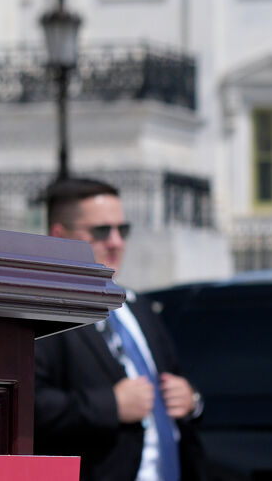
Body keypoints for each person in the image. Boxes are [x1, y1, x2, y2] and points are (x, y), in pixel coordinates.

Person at [36, 177, 204, 481]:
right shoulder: (42, 314)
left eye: (122, 230)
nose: (116, 242)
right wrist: (110, 405)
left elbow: (176, 380)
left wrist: (191, 400)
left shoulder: (138, 306)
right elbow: (29, 406)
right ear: (59, 236)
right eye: (101, 231)